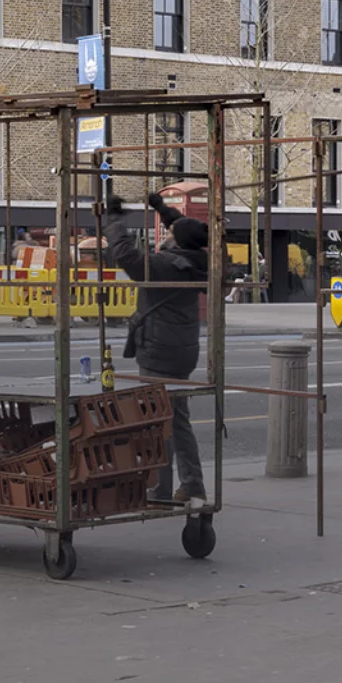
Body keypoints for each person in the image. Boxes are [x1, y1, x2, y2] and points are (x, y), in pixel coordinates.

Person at [105, 194, 209, 505]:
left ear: (177, 242)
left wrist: (115, 221)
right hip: (181, 348)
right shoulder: (197, 260)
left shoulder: (167, 265)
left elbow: (127, 257)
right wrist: (162, 209)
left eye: (169, 232)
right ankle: (186, 483)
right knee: (175, 418)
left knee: (158, 421)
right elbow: (183, 227)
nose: (165, 232)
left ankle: (168, 487)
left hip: (159, 350)